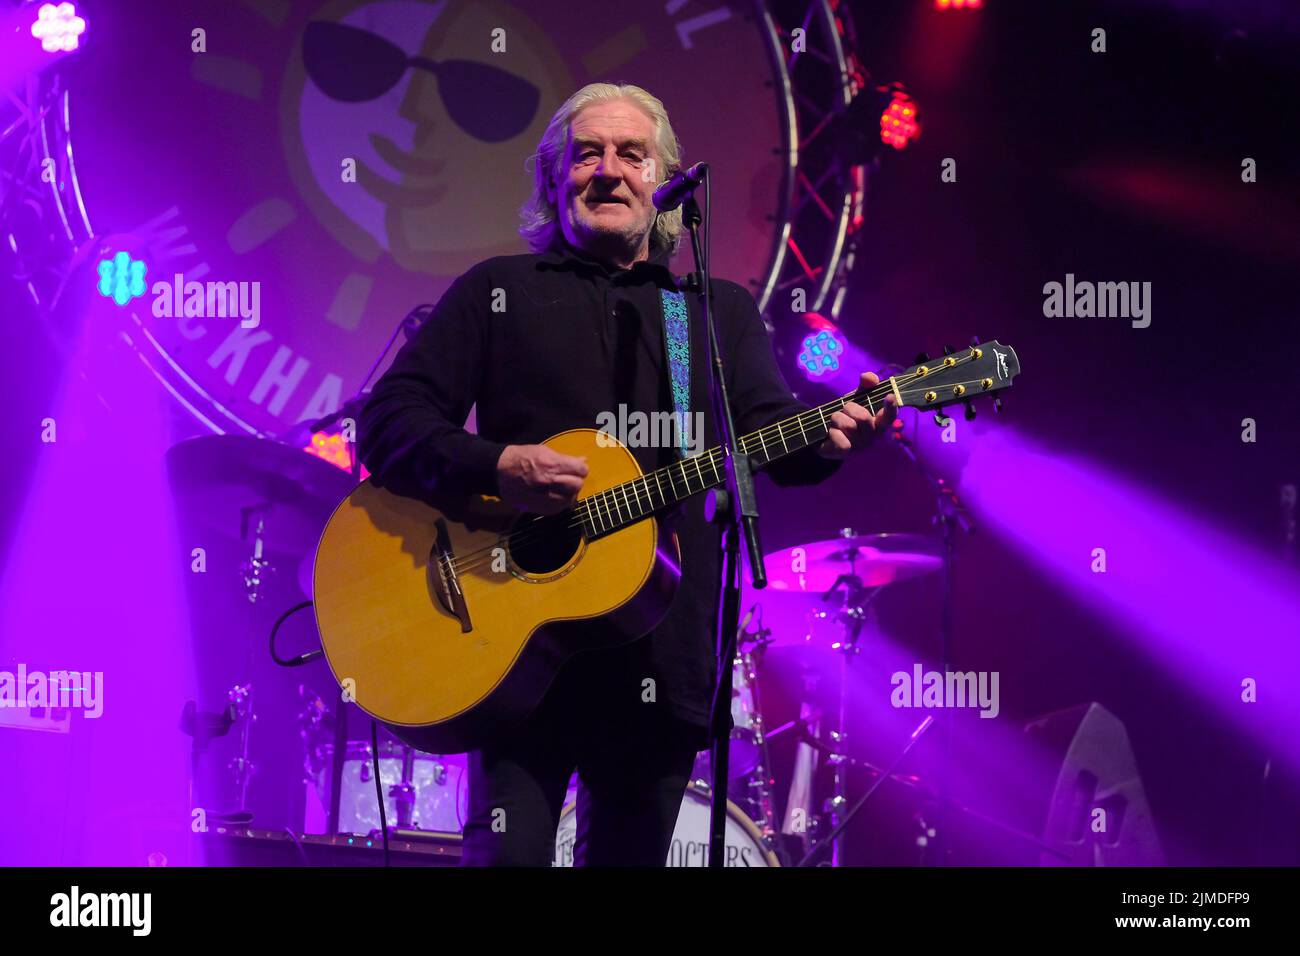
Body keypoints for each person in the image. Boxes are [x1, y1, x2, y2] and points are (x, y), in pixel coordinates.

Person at [358, 82, 895, 866]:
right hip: (514, 648)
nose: (609, 171)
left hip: (659, 655)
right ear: (554, 180)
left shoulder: (713, 314)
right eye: (587, 154)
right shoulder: (497, 292)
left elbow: (771, 440)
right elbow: (387, 421)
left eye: (632, 155)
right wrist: (496, 465)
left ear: (665, 181)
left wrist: (835, 436)